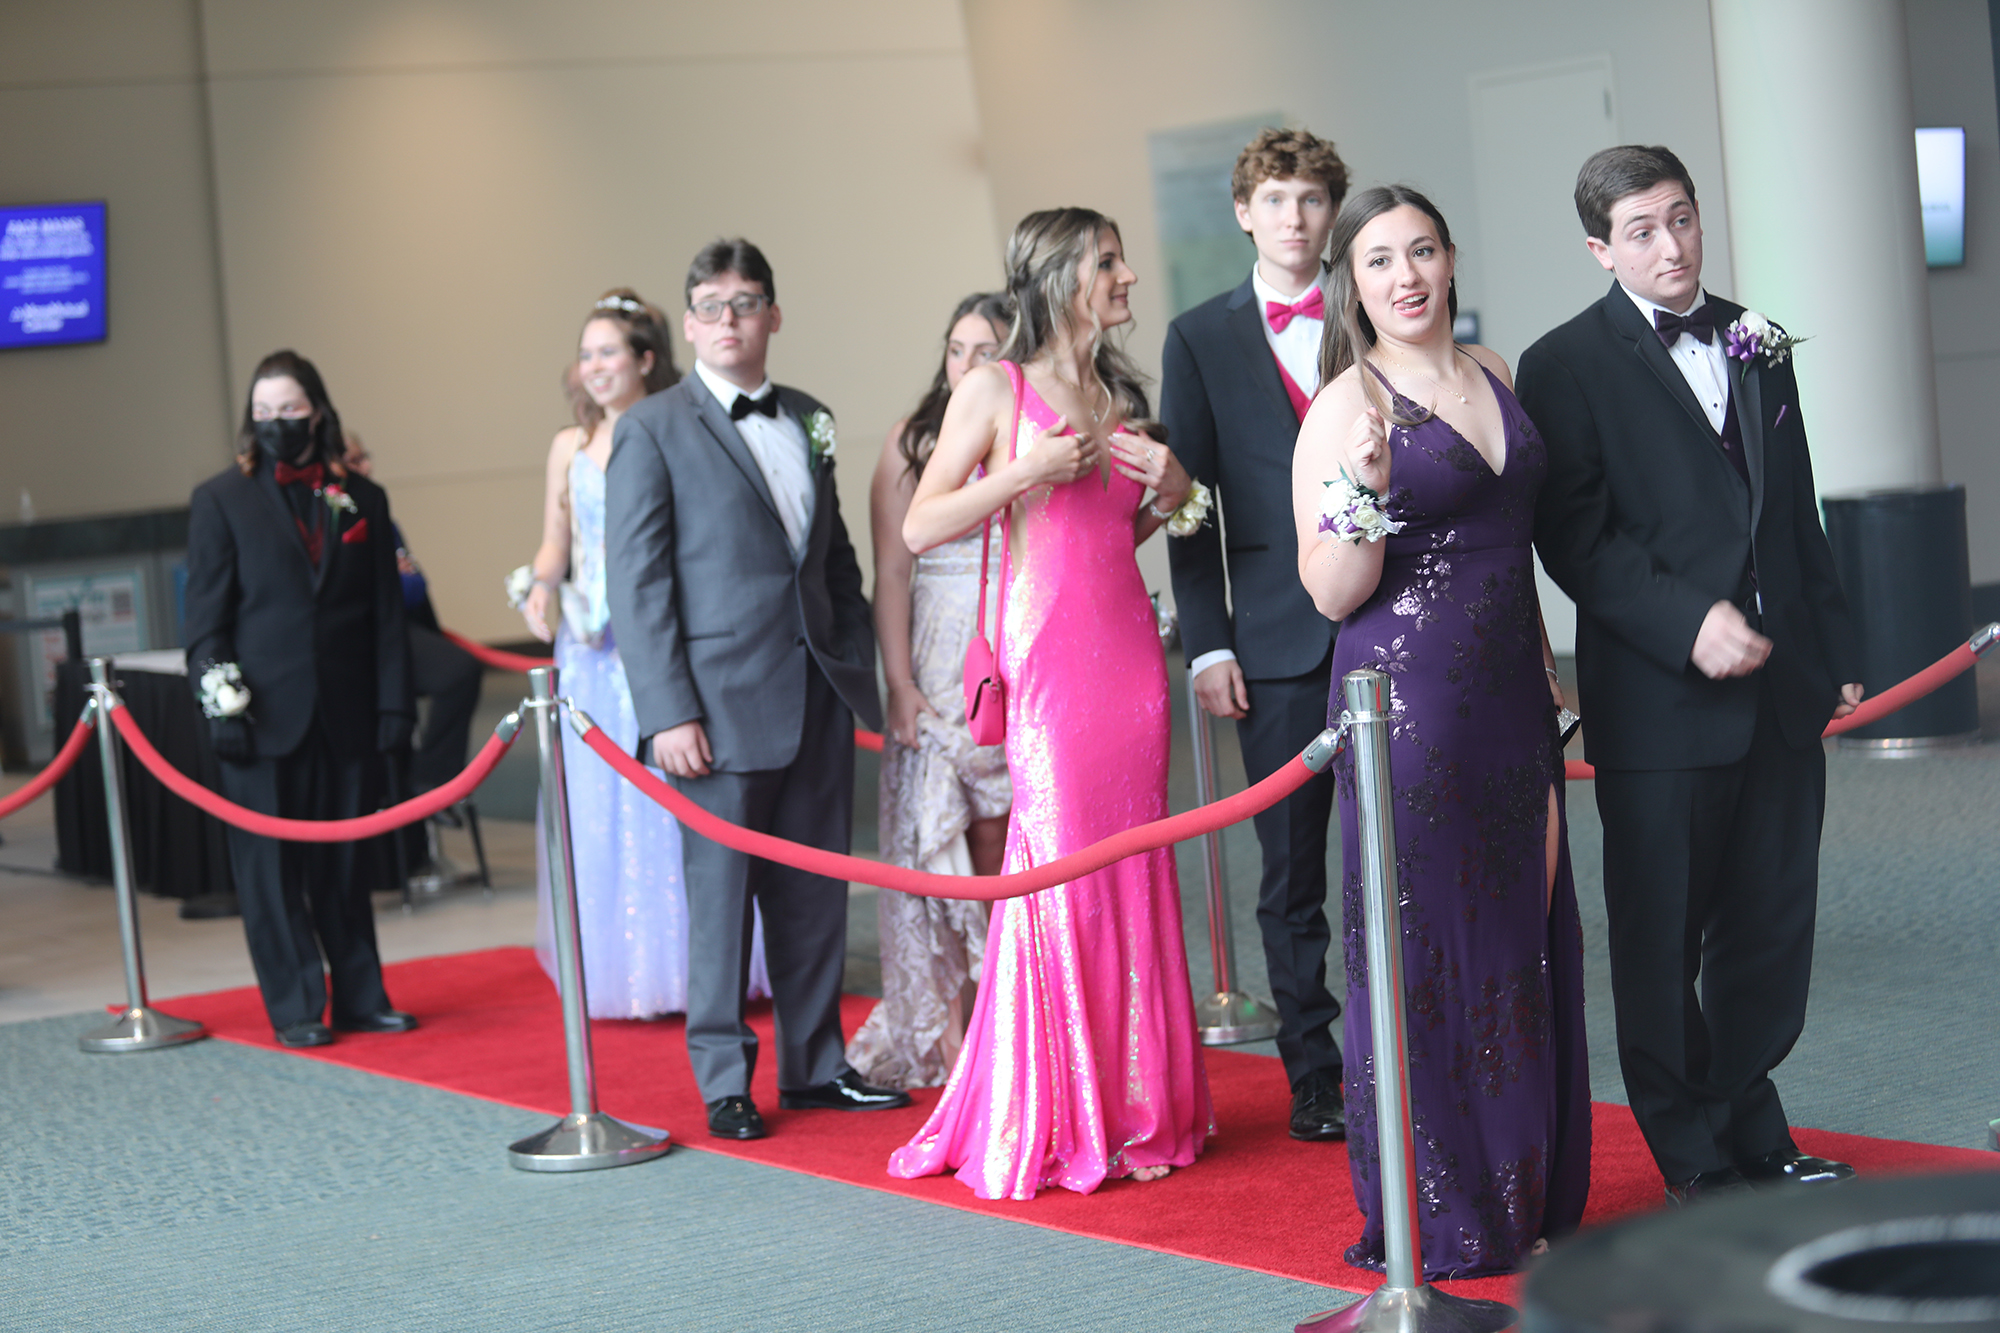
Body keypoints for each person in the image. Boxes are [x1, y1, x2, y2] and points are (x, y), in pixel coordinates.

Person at [1519, 145, 1863, 1207]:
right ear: (1597, 248)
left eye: (1680, 219)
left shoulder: (1756, 338)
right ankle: (1695, 1156)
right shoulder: (1560, 364)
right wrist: (1686, 620)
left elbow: (1792, 509)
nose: (1668, 246)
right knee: (1660, 933)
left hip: (1779, 687)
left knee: (1766, 925)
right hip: (1660, 698)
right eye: (1640, 230)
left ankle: (1752, 1125)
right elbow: (1571, 537)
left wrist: (1832, 648)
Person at [1290, 186, 1590, 1277]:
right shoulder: (1341, 406)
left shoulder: (1496, 371)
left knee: (1518, 940)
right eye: (1379, 261)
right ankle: (1445, 1206)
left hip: (1514, 696)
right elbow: (1330, 591)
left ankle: (1523, 1187)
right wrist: (1364, 492)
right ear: (1351, 285)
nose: (1405, 276)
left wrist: (1551, 672)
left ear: (1450, 259)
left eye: (1420, 251)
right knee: (1430, 952)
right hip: (1404, 711)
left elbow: (1513, 543)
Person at [890, 208, 1214, 1199]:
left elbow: (1129, 529)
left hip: (1127, 659)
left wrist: (1173, 487)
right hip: (1051, 665)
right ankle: (1057, 1101)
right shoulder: (995, 387)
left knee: (1134, 861)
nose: (1124, 278)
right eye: (1107, 262)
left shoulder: (1114, 392)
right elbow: (917, 524)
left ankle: (1134, 1104)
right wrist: (1025, 467)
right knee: (1063, 865)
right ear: (1063, 274)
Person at [604, 241, 906, 1140]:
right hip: (714, 708)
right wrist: (668, 712)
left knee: (814, 893)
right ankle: (726, 1077)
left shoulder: (809, 417)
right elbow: (638, 581)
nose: (728, 319)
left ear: (773, 316)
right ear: (689, 324)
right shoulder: (652, 428)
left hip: (815, 694)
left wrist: (851, 658)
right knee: (722, 899)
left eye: (746, 303)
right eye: (710, 305)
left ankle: (815, 1064)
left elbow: (836, 557)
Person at [1161, 126, 1352, 1143]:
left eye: (1311, 199)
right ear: (1243, 212)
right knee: (1290, 875)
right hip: (1271, 641)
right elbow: (1186, 505)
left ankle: (1396, 1052)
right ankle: (1314, 1073)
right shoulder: (1198, 337)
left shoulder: (1372, 307)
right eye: (1274, 199)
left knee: (1400, 856)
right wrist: (1209, 642)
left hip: (1385, 626)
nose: (1292, 217)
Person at [515, 288, 770, 1019]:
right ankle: (615, 969)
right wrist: (539, 584)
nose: (594, 366)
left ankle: (695, 968)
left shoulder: (668, 430)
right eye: (586, 353)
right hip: (588, 645)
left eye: (609, 352)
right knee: (598, 807)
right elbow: (556, 539)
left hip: (652, 642)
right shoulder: (568, 446)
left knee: (667, 803)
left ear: (645, 359)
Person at [182, 350, 418, 1048]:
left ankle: (362, 997)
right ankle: (296, 1005)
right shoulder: (220, 499)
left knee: (345, 863)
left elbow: (385, 616)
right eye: (264, 413)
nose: (277, 423)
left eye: (289, 410)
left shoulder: (362, 499)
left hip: (345, 711)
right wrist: (219, 697)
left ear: (316, 411)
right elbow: (205, 623)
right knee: (271, 871)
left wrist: (394, 706)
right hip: (259, 715)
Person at [845, 292, 1015, 1089]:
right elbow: (892, 570)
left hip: (1015, 644)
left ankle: (1016, 1013)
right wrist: (900, 685)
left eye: (988, 350)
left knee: (1010, 841)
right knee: (941, 843)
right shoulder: (913, 443)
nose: (968, 365)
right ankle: (954, 1034)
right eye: (957, 349)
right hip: (939, 655)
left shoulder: (1028, 432)